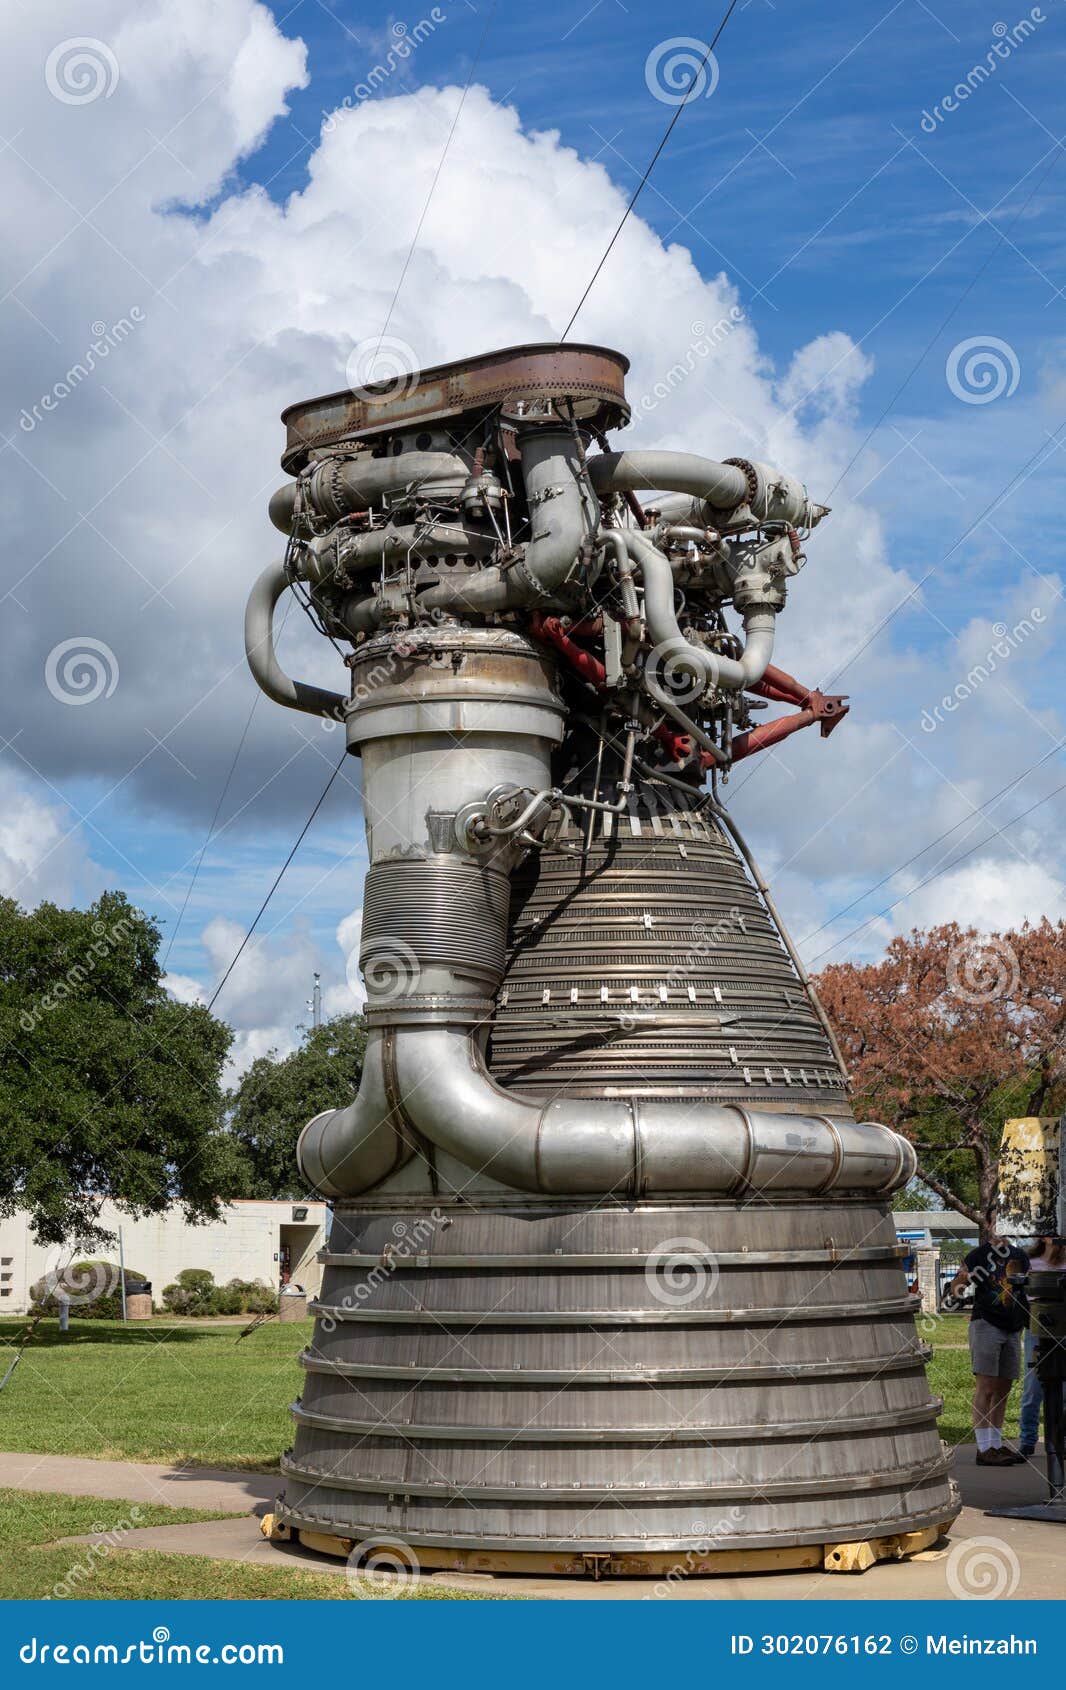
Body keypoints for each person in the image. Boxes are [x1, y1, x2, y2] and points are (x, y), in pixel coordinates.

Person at [950, 1232, 1029, 1466]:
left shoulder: (1020, 1255)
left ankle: (995, 1444)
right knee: (985, 1387)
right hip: (986, 1323)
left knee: (1003, 1389)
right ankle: (983, 1449)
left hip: (1013, 1327)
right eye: (997, 1218)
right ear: (990, 1223)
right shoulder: (978, 1255)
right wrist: (961, 1279)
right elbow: (957, 1289)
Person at [1019, 1237, 1066, 1457]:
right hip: (1036, 1329)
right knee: (1032, 1387)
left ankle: (1061, 1440)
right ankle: (1027, 1441)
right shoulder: (1030, 1261)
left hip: (1063, 1327)